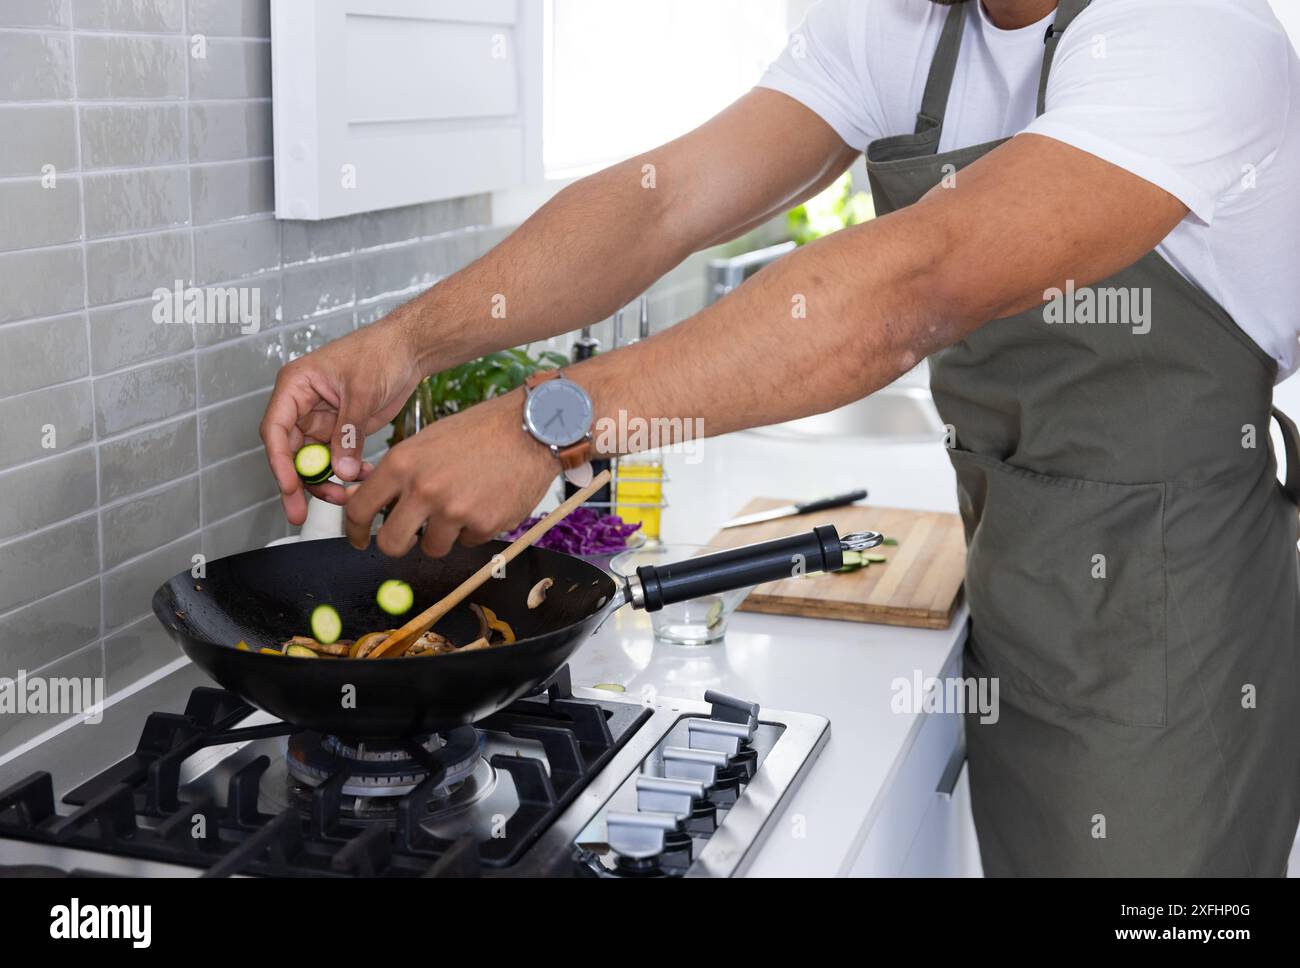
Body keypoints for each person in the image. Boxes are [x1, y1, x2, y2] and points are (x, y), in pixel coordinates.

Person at [261, 0, 1300, 876]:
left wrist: (548, 424)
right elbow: (658, 204)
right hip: (1020, 573)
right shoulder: (906, 23)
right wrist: (402, 344)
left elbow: (915, 283)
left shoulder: (1190, 31)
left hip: (1176, 618)